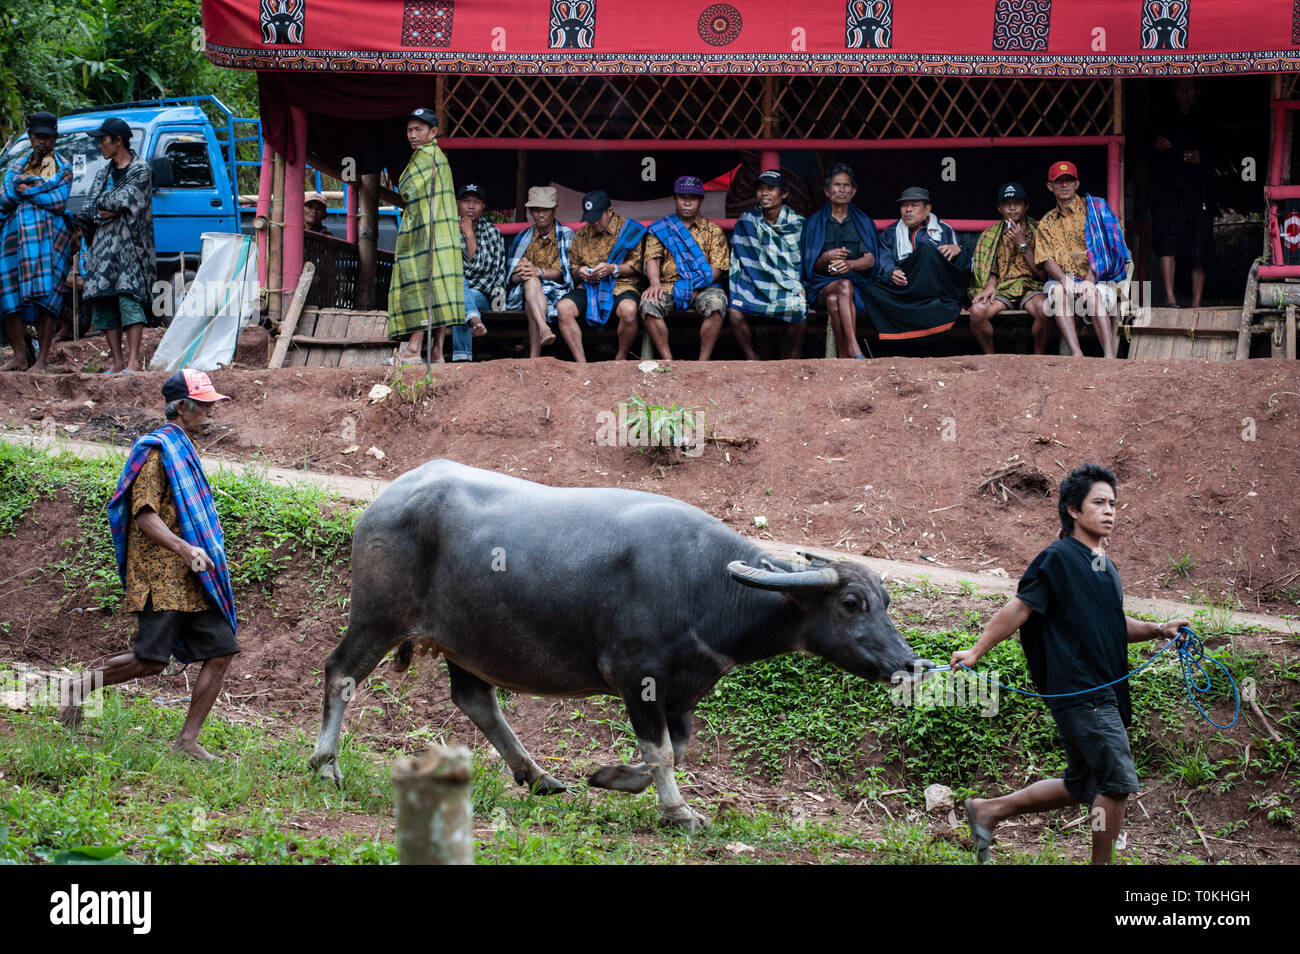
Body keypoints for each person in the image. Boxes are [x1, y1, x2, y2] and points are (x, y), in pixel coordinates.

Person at [951, 463, 1190, 865]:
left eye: (1113, 503)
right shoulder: (1059, 558)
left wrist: (1157, 629)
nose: (1109, 510)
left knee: (1084, 783)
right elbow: (1020, 608)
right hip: (1081, 689)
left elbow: (1113, 625)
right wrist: (976, 651)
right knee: (1115, 784)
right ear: (1073, 510)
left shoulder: (1105, 568)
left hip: (1105, 688)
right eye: (1098, 502)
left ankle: (989, 810)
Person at [58, 369, 240, 763]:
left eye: (212, 404)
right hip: (162, 575)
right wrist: (183, 548)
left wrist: (195, 554)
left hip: (193, 577)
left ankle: (188, 741)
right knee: (150, 661)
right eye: (204, 404)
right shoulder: (157, 452)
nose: (210, 412)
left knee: (222, 649)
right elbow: (143, 514)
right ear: (181, 406)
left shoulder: (184, 450)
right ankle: (78, 687)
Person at [76, 117, 154, 374]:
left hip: (130, 249)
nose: (99, 145)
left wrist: (106, 206)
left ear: (118, 140)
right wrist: (107, 209)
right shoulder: (103, 173)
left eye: (103, 139)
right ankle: (117, 361)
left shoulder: (141, 170)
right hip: (101, 251)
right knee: (103, 301)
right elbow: (89, 209)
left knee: (129, 298)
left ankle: (133, 361)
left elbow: (123, 200)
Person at [387, 107, 464, 364]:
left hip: (426, 233)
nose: (412, 135)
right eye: (409, 130)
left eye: (418, 129)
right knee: (438, 290)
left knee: (421, 287)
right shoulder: (440, 156)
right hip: (443, 234)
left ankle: (413, 349)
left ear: (433, 132)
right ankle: (437, 353)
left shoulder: (424, 154)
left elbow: (406, 188)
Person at [0, 111, 74, 373]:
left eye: (47, 138)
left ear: (54, 139)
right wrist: (36, 188)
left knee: (48, 298)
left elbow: (58, 200)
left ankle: (41, 360)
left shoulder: (64, 166)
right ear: (30, 137)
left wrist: (25, 190)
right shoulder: (15, 166)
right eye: (37, 137)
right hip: (14, 240)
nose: (41, 142)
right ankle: (19, 355)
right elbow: (5, 198)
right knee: (9, 296)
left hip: (49, 241)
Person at [1035, 161, 1130, 359]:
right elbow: (1046, 259)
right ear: (1049, 186)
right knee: (1059, 293)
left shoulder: (1095, 208)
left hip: (1098, 278)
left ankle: (1109, 356)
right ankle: (1077, 355)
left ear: (1077, 184)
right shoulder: (1047, 222)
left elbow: (1105, 249)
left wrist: (1089, 280)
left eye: (1069, 180)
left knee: (1091, 293)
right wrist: (1064, 279)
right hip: (1064, 279)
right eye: (1058, 181)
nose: (1064, 185)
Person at [862, 186, 970, 341]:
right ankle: (928, 313)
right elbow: (884, 259)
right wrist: (891, 272)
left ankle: (928, 309)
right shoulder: (891, 232)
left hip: (933, 289)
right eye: (904, 205)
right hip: (905, 287)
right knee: (868, 290)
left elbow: (957, 267)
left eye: (914, 205)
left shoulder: (944, 230)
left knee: (926, 251)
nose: (908, 210)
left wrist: (958, 249)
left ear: (927, 209)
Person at [639, 175, 729, 361]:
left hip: (703, 287)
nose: (687, 203)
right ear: (675, 199)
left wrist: (693, 289)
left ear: (701, 200)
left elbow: (717, 268)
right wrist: (654, 283)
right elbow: (652, 258)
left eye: (693, 199)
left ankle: (702, 362)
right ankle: (668, 360)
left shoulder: (713, 231)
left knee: (717, 304)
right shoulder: (662, 228)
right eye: (682, 198)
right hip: (668, 286)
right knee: (648, 304)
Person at [555, 190, 645, 363]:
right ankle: (581, 363)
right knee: (563, 308)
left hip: (621, 285)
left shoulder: (628, 230)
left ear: (609, 211)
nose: (594, 222)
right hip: (589, 287)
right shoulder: (581, 235)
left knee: (629, 310)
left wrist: (613, 269)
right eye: (590, 218)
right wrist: (579, 272)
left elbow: (637, 266)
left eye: (598, 217)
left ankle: (620, 357)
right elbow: (573, 268)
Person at [800, 162, 878, 359]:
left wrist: (850, 265)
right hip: (820, 286)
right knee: (842, 287)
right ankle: (855, 348)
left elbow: (870, 260)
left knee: (836, 299)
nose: (842, 190)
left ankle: (843, 356)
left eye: (846, 186)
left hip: (856, 288)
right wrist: (824, 258)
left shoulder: (862, 222)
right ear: (827, 191)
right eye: (837, 185)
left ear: (853, 192)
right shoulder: (814, 223)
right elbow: (809, 267)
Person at [727, 170, 807, 360]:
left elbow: (800, 262)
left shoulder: (798, 223)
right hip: (753, 283)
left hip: (786, 284)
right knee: (734, 311)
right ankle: (751, 357)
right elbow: (739, 259)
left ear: (784, 194)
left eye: (771, 189)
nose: (764, 193)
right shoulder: (747, 220)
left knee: (799, 308)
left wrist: (795, 284)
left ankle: (795, 356)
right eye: (761, 189)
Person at [1151, 78, 1214, 308]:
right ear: (1173, 91)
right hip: (1168, 191)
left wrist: (1201, 156)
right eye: (1180, 90)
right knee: (1167, 240)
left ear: (1197, 90)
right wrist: (1156, 144)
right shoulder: (1160, 114)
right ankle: (1170, 298)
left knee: (1200, 244)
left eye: (1189, 90)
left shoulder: (1207, 116)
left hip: (1198, 192)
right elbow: (1142, 145)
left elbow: (1221, 150)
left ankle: (1197, 303)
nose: (1184, 95)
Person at [968, 182, 1050, 354]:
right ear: (999, 208)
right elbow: (989, 269)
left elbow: (1043, 275)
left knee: (1045, 309)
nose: (1012, 208)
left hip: (1031, 287)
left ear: (1026, 206)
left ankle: (1038, 358)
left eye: (1017, 203)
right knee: (977, 311)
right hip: (1002, 289)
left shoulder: (1039, 232)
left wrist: (1023, 244)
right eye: (1006, 204)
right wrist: (990, 286)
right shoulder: (989, 235)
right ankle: (990, 358)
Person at [504, 186, 570, 358]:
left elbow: (564, 273)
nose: (541, 214)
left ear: (555, 210)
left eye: (545, 209)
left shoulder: (566, 235)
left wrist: (538, 271)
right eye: (536, 210)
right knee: (531, 283)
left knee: (532, 297)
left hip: (558, 290)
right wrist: (524, 273)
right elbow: (512, 277)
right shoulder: (522, 238)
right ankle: (544, 328)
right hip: (525, 290)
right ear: (530, 212)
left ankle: (534, 355)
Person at [454, 182, 500, 361]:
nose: (471, 206)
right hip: (456, 292)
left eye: (476, 202)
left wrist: (469, 235)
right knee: (459, 289)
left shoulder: (492, 232)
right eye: (466, 201)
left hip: (485, 295)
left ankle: (462, 357)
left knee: (461, 293)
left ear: (483, 207)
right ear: (458, 204)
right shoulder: (448, 229)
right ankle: (474, 320)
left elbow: (479, 268)